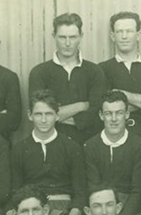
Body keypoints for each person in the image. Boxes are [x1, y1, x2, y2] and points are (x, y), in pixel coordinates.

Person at [8, 90, 86, 215]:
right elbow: (14, 191)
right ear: (30, 115)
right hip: (30, 209)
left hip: (63, 210)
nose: (43, 120)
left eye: (49, 114)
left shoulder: (71, 147)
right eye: (38, 114)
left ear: (57, 116)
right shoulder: (19, 149)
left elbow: (80, 194)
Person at [28, 12, 108, 144]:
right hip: (51, 144)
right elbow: (39, 115)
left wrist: (54, 115)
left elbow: (97, 116)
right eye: (62, 37)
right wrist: (82, 105)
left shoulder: (94, 71)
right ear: (53, 36)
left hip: (87, 144)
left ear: (81, 36)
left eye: (72, 37)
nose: (67, 43)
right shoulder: (39, 72)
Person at [83, 90, 141, 215]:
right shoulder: (90, 146)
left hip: (130, 208)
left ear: (127, 114)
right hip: (101, 205)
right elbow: (93, 186)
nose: (114, 119)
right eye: (108, 113)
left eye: (119, 113)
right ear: (101, 115)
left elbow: (138, 190)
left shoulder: (140, 145)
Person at [98, 11, 141, 141]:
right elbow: (101, 107)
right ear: (112, 36)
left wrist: (121, 94)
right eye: (119, 32)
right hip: (114, 139)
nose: (124, 36)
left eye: (129, 31)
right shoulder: (102, 69)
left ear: (138, 35)